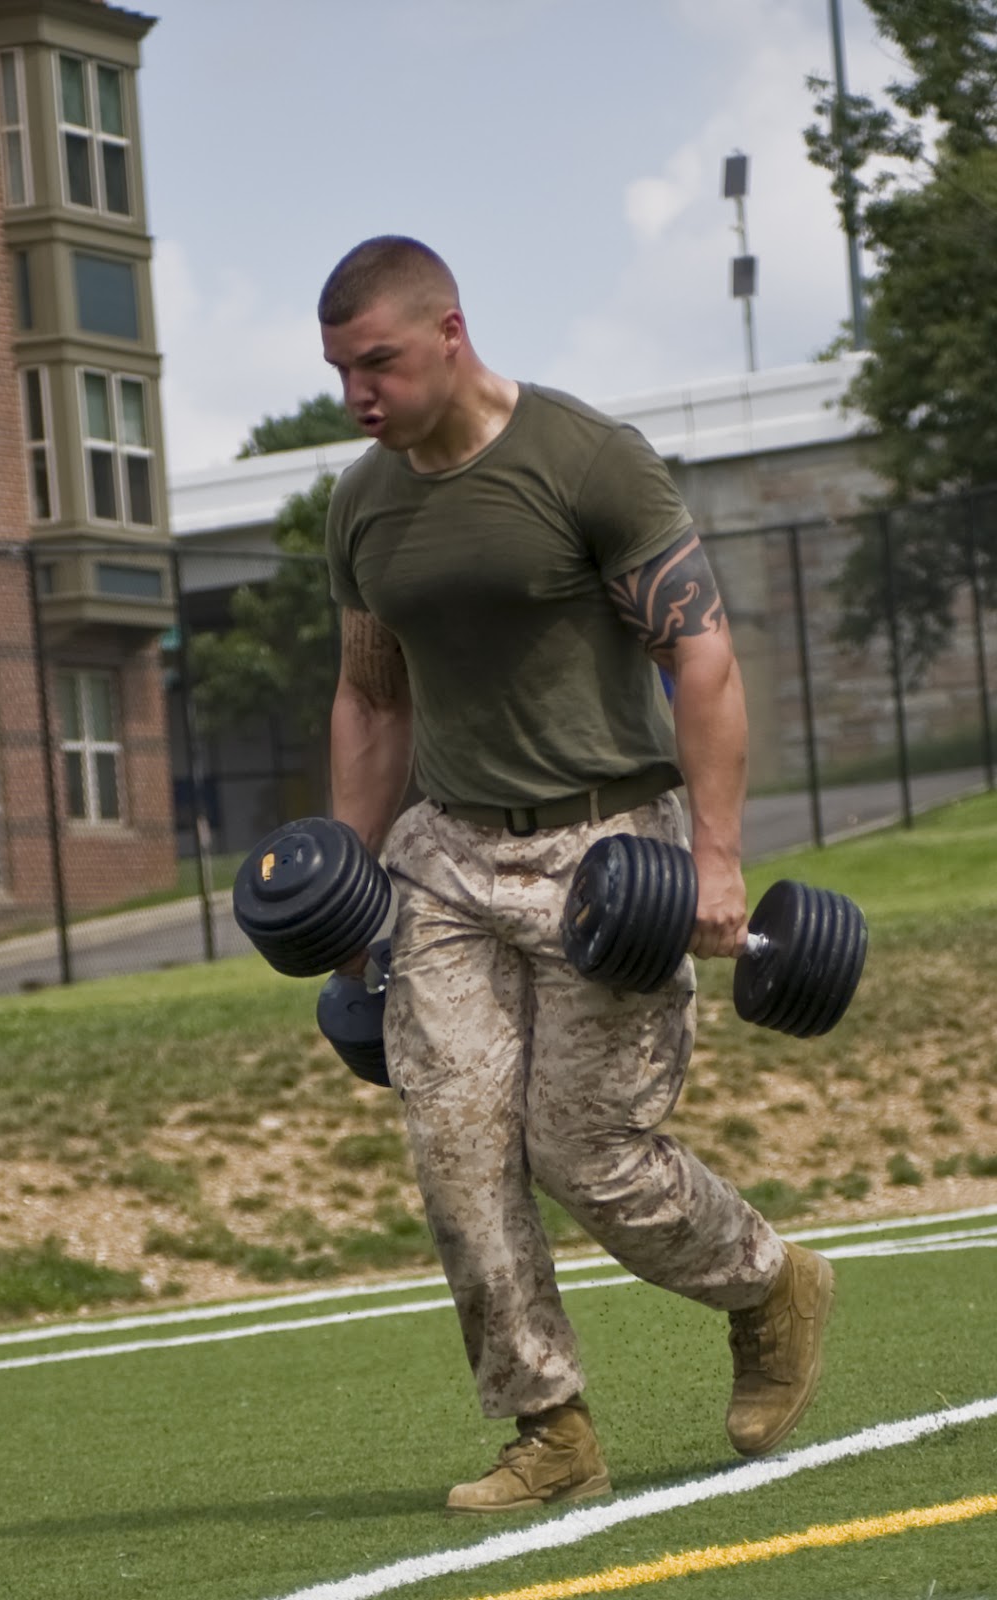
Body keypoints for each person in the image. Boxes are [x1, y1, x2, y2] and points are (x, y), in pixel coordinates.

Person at [319, 235, 833, 1515]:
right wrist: (345, 887)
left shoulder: (584, 461)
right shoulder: (362, 504)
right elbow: (370, 696)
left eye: (375, 362)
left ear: (449, 331)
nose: (357, 396)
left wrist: (715, 862)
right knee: (453, 1145)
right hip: (443, 855)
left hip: (607, 853)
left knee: (588, 1149)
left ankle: (768, 1282)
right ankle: (548, 1427)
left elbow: (700, 660)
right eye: (338, 372)